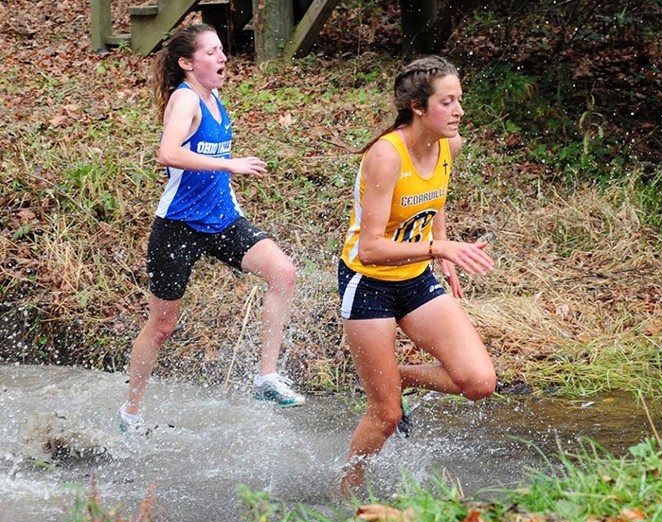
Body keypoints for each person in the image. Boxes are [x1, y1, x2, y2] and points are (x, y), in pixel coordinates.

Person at [118, 24, 304, 433]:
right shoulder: (185, 100)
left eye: (222, 50)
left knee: (283, 273)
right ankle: (130, 412)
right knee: (162, 326)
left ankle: (265, 377)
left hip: (223, 220)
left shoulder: (214, 96)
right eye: (212, 52)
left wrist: (226, 170)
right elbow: (167, 153)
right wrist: (229, 164)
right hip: (178, 227)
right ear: (187, 63)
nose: (223, 58)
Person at [337, 56, 497, 491]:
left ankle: (400, 374)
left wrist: (440, 246)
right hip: (367, 284)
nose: (459, 110)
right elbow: (369, 248)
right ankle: (346, 491)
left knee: (480, 381)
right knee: (386, 415)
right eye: (448, 102)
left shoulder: (450, 144)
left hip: (416, 276)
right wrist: (438, 247)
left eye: (460, 100)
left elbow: (435, 196)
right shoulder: (386, 156)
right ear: (417, 107)